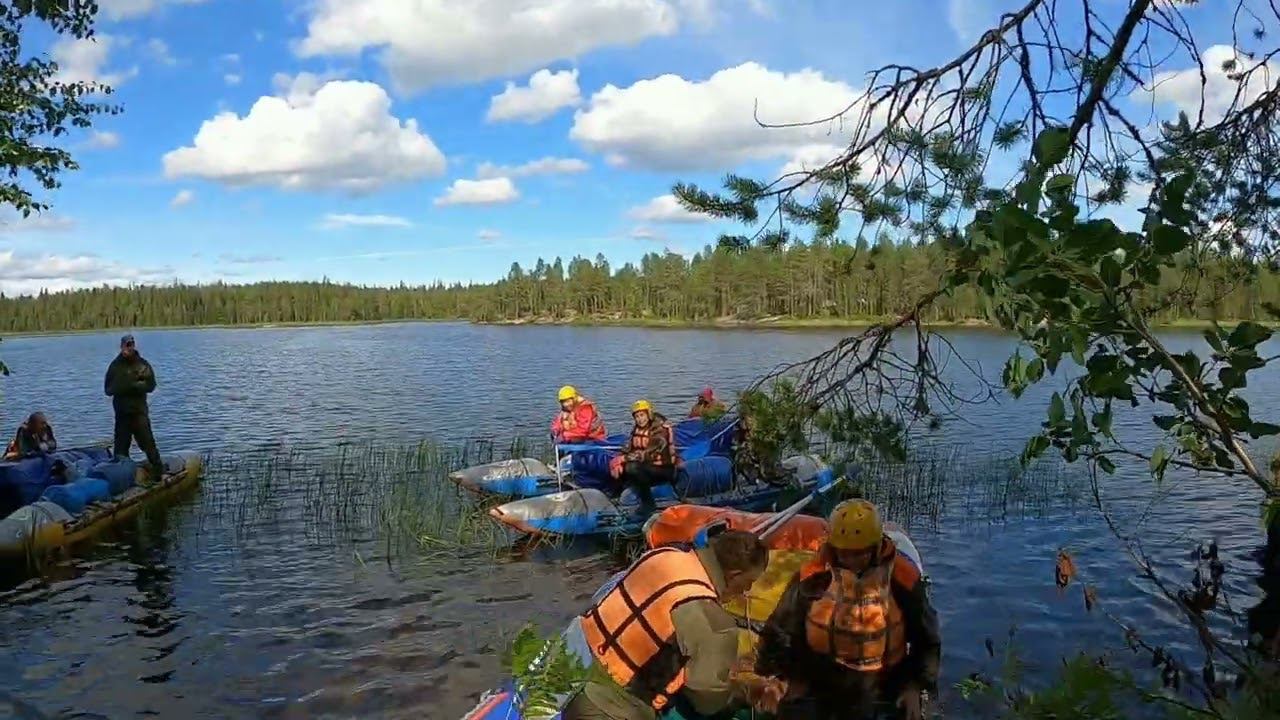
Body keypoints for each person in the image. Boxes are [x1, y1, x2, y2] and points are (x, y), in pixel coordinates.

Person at [754, 499, 941, 720]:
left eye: (860, 553)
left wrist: (916, 686)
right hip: (822, 675)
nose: (852, 560)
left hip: (885, 680)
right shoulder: (813, 576)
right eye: (845, 553)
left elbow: (926, 638)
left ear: (876, 546)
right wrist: (778, 676)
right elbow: (780, 628)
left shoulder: (903, 578)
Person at [563, 529, 769, 720]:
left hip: (572, 674)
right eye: (748, 583)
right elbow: (707, 700)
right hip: (613, 708)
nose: (745, 591)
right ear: (734, 575)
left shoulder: (662, 555)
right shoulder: (712, 620)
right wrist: (744, 691)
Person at [104, 334, 162, 481]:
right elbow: (108, 389)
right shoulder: (115, 366)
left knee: (147, 442)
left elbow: (151, 385)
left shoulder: (143, 365)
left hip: (138, 412)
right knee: (121, 448)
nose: (129, 347)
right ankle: (121, 479)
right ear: (122, 346)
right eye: (126, 345)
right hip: (122, 413)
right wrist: (123, 386)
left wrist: (136, 385)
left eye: (131, 344)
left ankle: (158, 472)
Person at [615, 400, 675, 516]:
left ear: (649, 414)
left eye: (642, 415)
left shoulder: (660, 431)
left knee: (633, 467)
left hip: (663, 468)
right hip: (647, 466)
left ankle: (648, 504)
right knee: (621, 467)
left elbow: (648, 455)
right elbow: (629, 448)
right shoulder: (637, 429)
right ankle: (619, 497)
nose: (639, 419)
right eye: (636, 416)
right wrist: (618, 459)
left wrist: (625, 459)